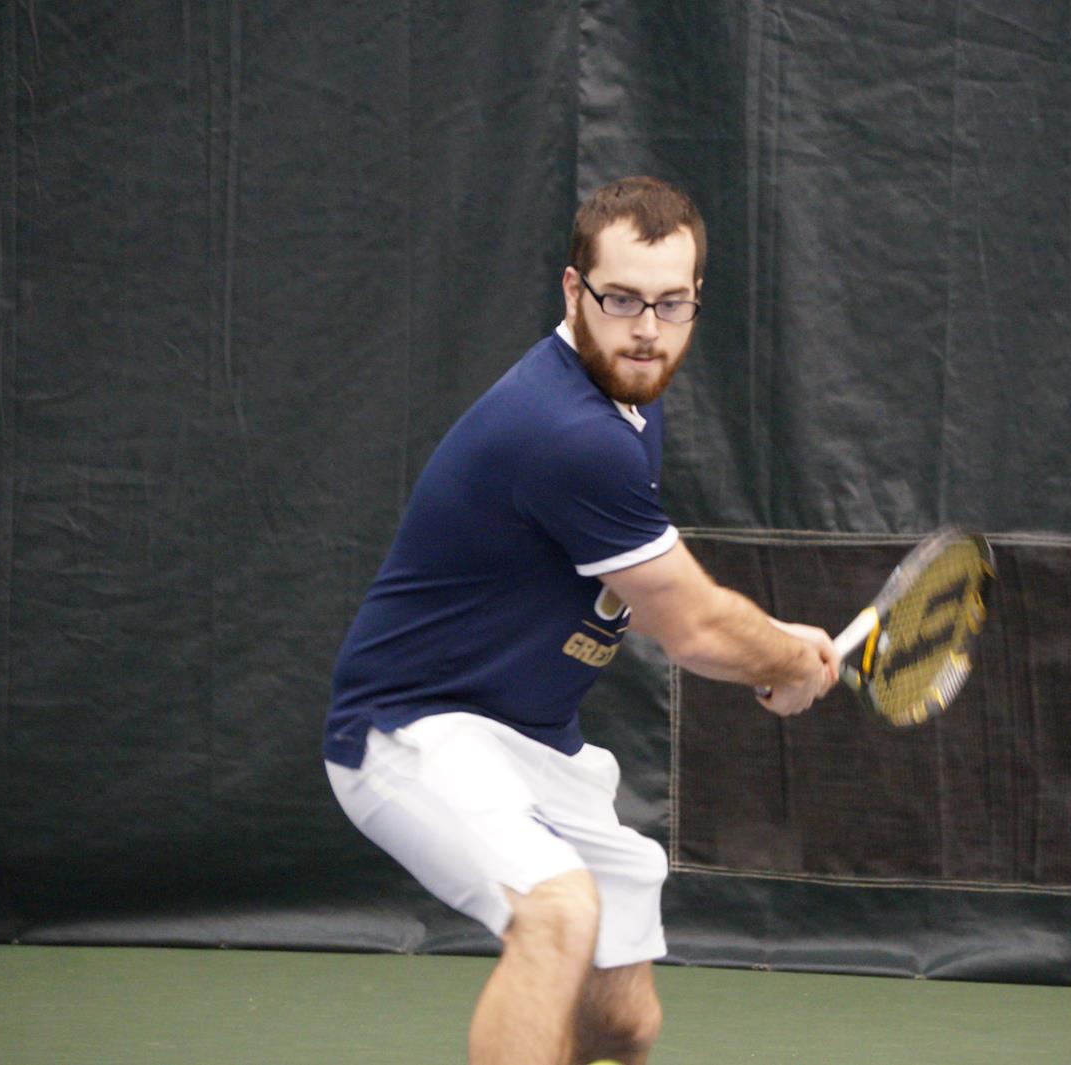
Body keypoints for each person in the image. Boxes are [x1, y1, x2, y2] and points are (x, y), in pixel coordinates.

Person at [323, 175, 838, 1065]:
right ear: (575, 291)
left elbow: (639, 594)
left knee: (623, 1019)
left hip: (532, 739)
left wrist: (777, 644)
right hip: (413, 731)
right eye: (622, 299)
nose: (646, 327)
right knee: (557, 911)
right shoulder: (571, 431)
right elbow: (692, 627)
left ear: (694, 300)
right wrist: (781, 663)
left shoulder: (631, 395)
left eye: (670, 303)